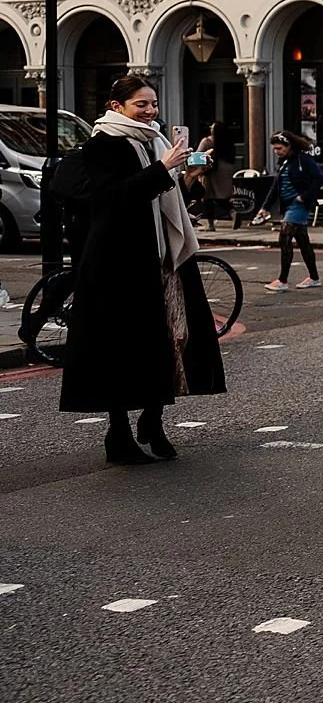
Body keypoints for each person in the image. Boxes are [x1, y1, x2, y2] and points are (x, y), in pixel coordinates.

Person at [58, 75, 226, 465]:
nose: (151, 112)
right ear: (117, 107)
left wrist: (186, 176)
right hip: (119, 262)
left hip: (163, 255)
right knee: (122, 347)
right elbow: (111, 198)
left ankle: (153, 420)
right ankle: (118, 434)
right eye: (141, 105)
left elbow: (169, 200)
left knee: (173, 338)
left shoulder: (155, 141)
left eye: (153, 105)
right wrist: (162, 167)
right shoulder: (103, 145)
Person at [254, 131, 323, 291]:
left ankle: (283, 280)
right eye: (274, 149)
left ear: (289, 145)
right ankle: (314, 278)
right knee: (303, 241)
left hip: (298, 206)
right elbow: (275, 188)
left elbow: (319, 178)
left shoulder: (304, 160)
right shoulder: (284, 162)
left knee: (284, 236)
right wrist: (264, 208)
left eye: (279, 148)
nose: (276, 152)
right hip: (288, 206)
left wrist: (305, 196)